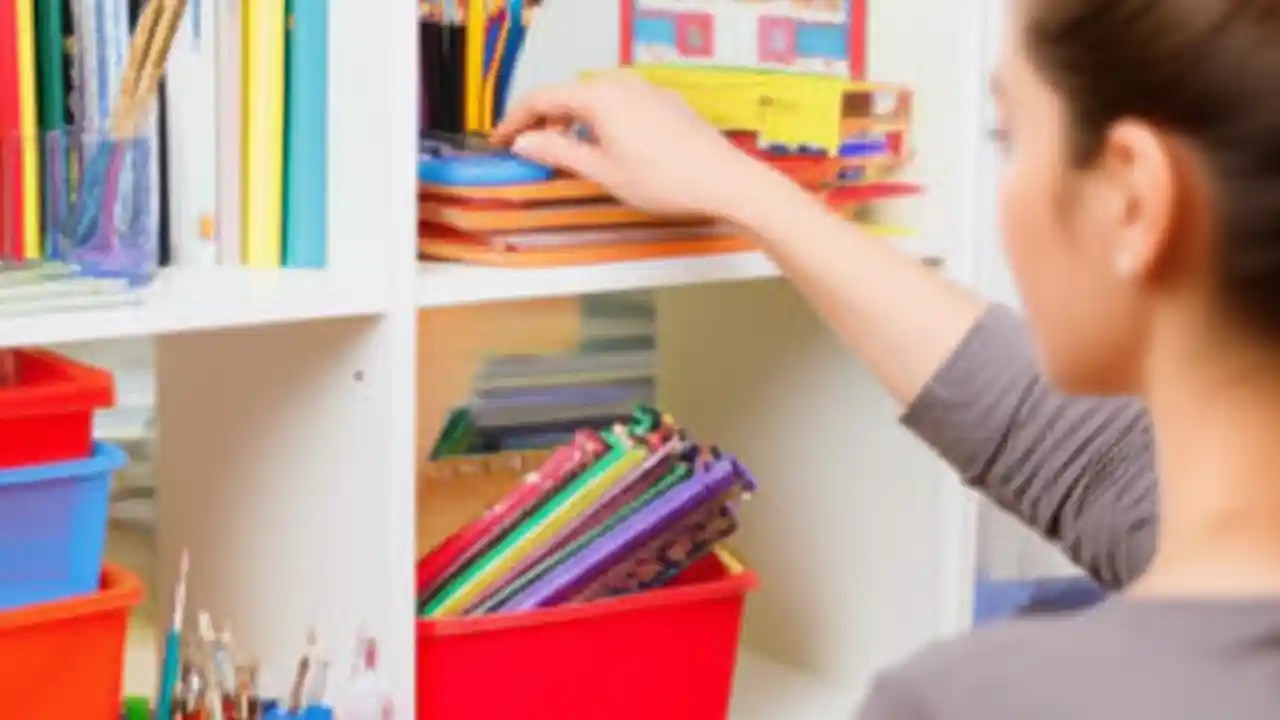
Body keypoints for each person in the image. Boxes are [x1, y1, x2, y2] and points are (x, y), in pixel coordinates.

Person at [494, 0, 1280, 715]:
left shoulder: (970, 704)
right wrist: (740, 189)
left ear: (1133, 200)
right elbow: (1086, 457)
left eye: (1009, 138)